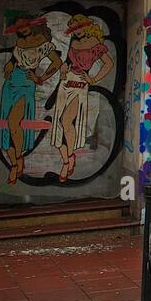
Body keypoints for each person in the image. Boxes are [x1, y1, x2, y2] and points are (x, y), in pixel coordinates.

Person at [0, 14, 63, 185]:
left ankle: (17, 162)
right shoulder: (19, 43)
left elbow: (57, 63)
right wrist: (9, 65)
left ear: (32, 25)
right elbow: (14, 59)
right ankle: (16, 160)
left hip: (27, 83)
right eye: (19, 28)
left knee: (14, 123)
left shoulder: (42, 41)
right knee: (7, 124)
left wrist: (41, 78)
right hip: (11, 82)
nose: (22, 30)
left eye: (24, 26)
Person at [50, 14, 114, 183]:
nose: (76, 31)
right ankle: (67, 159)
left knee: (66, 121)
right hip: (66, 82)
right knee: (59, 124)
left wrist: (94, 79)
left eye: (78, 27)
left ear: (86, 26)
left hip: (80, 84)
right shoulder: (74, 42)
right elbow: (68, 62)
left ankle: (68, 159)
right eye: (73, 28)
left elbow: (109, 64)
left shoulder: (96, 44)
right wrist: (63, 69)